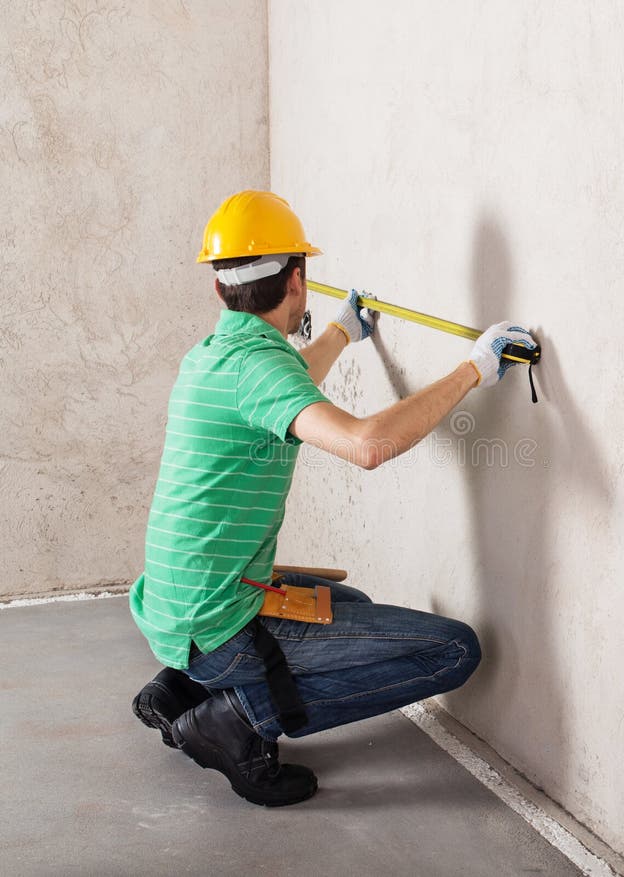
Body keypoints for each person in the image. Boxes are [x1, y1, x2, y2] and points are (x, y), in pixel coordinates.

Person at [130, 190, 535, 807]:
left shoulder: (215, 358)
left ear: (219, 289)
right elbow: (368, 446)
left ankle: (184, 689)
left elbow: (287, 386)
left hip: (173, 606)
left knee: (350, 605)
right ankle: (237, 719)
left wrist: (343, 331)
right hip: (217, 625)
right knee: (455, 650)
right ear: (297, 280)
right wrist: (474, 369)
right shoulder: (257, 370)